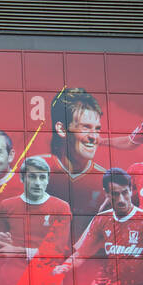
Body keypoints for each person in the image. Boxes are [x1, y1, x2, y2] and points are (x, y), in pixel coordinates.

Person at [54, 168, 143, 285]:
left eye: (124, 193)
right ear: (107, 194)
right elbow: (81, 254)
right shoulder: (101, 219)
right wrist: (64, 266)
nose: (121, 200)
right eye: (115, 194)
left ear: (131, 190)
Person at [0, 155, 72, 285]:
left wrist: (16, 250)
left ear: (47, 180)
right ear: (22, 179)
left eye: (42, 177)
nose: (38, 183)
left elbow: (56, 250)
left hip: (47, 281)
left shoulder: (61, 207)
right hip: (11, 281)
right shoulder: (7, 205)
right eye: (32, 177)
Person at [47, 87, 109, 242]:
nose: (94, 137)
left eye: (97, 129)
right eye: (85, 127)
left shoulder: (106, 181)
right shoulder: (38, 172)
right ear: (62, 129)